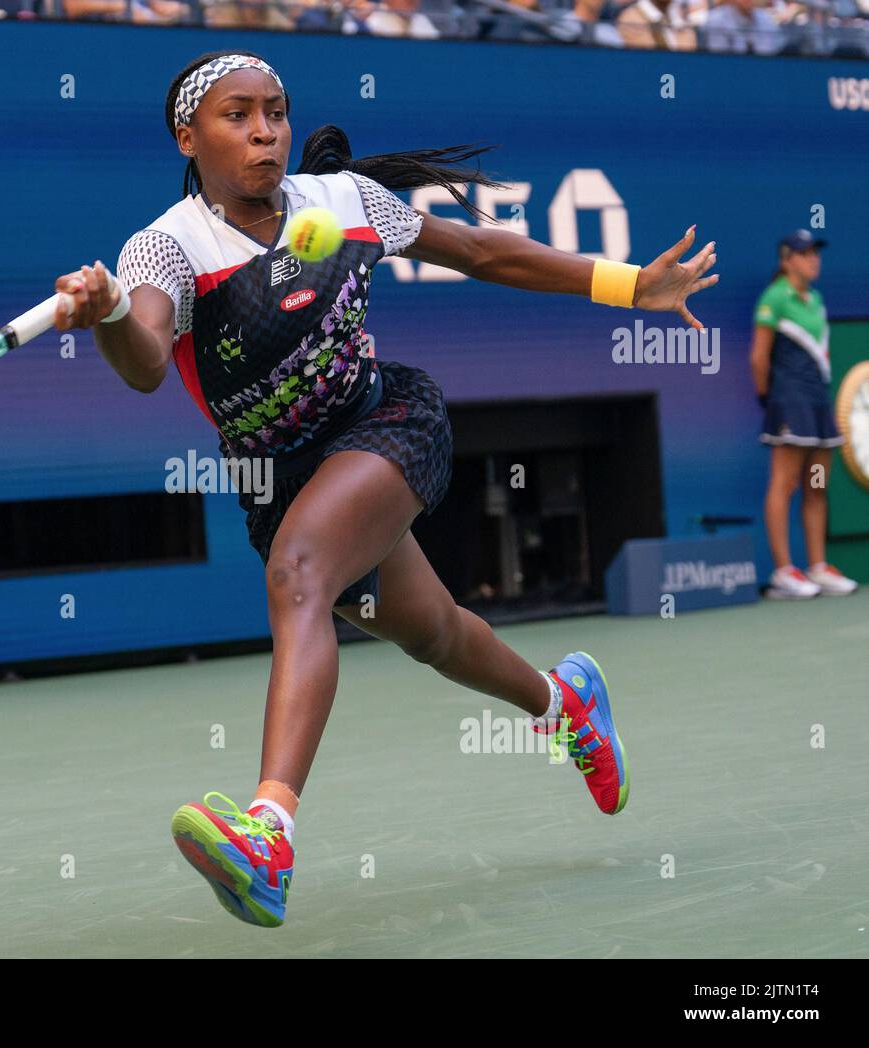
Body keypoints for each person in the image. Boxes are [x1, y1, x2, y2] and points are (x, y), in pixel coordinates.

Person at [51, 50, 717, 927]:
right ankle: (567, 706)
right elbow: (142, 361)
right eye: (238, 115)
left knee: (298, 575)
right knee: (436, 634)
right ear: (189, 135)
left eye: (275, 112)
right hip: (283, 476)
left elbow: (481, 251)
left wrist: (628, 285)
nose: (264, 131)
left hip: (387, 425)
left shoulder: (344, 203)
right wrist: (104, 312)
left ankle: (269, 832)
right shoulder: (167, 247)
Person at [750, 229, 859, 598]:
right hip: (789, 404)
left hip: (817, 404)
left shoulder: (815, 298)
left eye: (816, 252)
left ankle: (817, 566)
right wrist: (769, 399)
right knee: (785, 483)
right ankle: (783, 571)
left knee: (816, 484)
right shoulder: (774, 297)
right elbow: (759, 357)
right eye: (806, 253)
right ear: (787, 260)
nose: (815, 259)